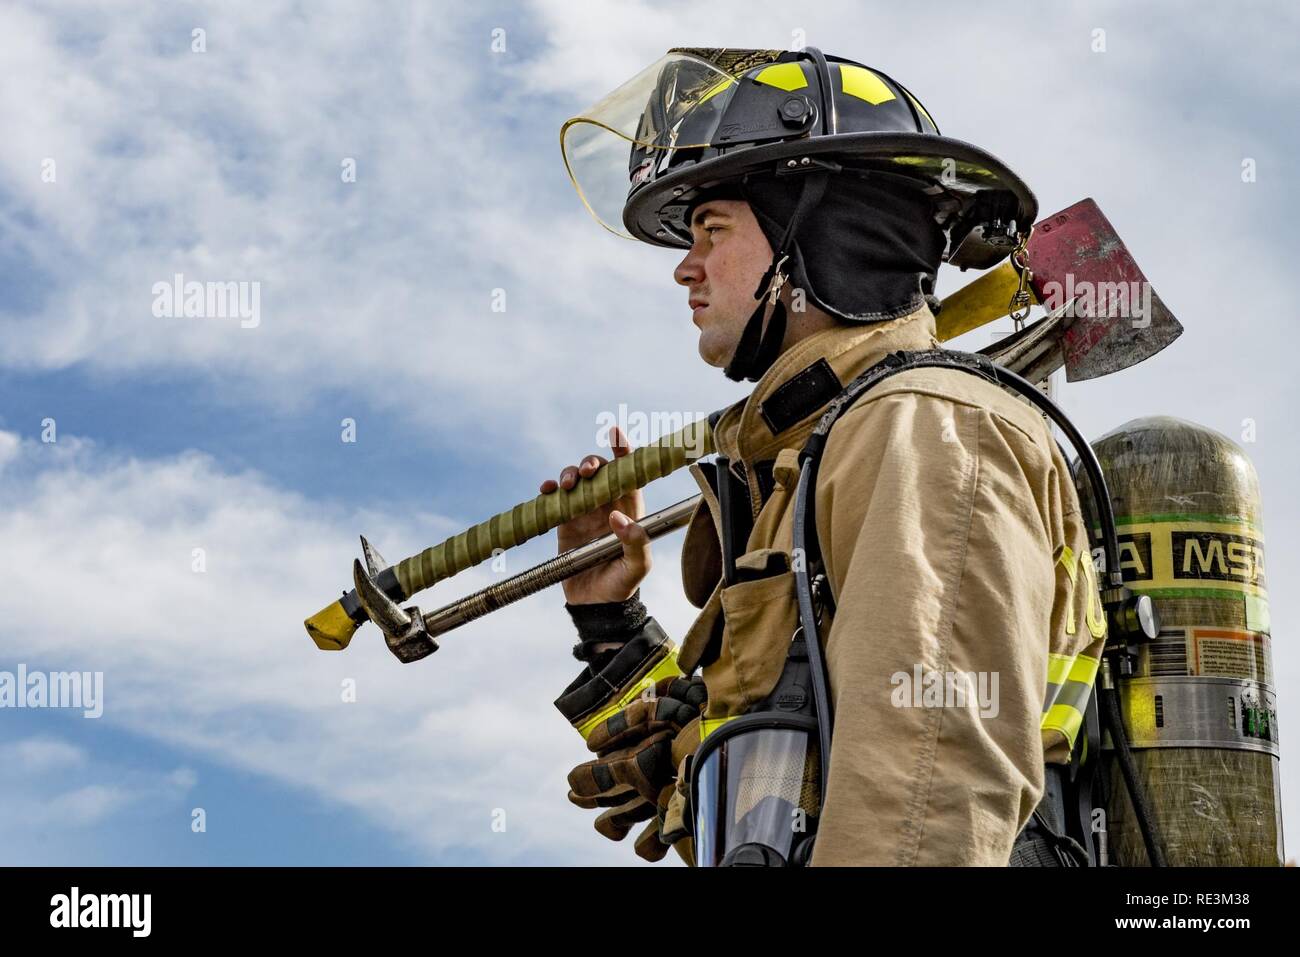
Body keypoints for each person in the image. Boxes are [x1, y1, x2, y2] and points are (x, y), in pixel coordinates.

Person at [542, 48, 1104, 866]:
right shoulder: (805, 463)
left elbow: (922, 809)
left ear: (815, 234)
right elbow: (757, 806)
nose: (684, 268)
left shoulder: (918, 427)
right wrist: (608, 622)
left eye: (711, 228)